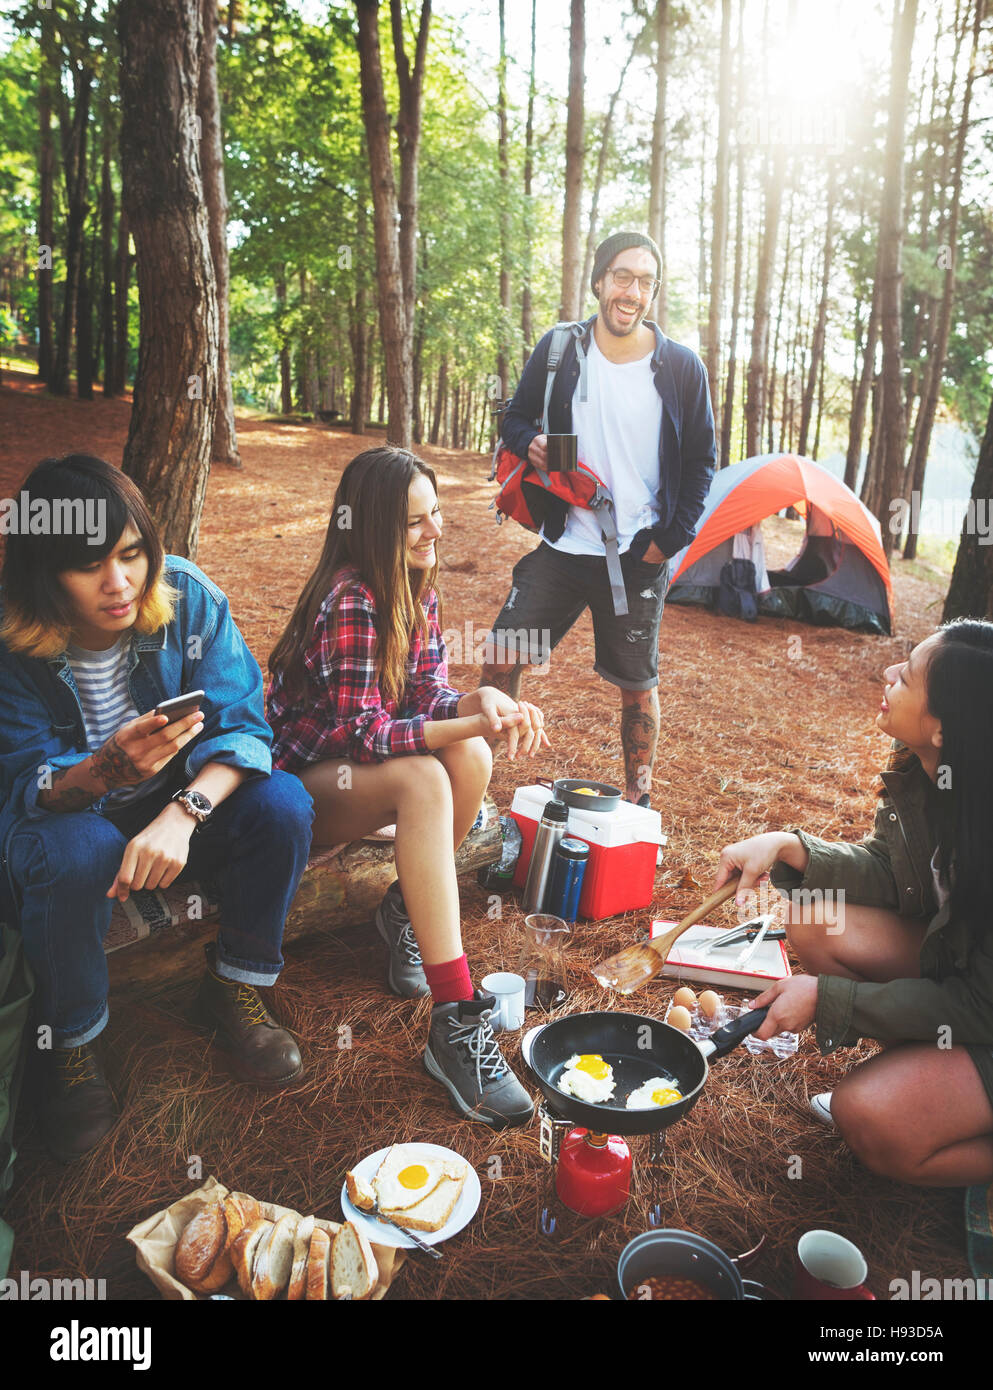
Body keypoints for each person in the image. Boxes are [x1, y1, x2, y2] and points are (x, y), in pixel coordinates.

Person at [0, 455, 314, 1163]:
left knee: (284, 804)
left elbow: (243, 727)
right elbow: (23, 785)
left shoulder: (188, 599)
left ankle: (235, 987)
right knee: (77, 848)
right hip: (69, 822)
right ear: (44, 573)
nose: (119, 584)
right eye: (88, 566)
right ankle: (72, 1047)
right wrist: (104, 769)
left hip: (176, 808)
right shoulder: (11, 640)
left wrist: (185, 809)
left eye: (132, 554)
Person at [266, 446, 547, 1130]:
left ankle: (402, 913)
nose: (435, 530)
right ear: (370, 531)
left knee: (472, 755)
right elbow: (363, 734)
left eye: (436, 512)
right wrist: (466, 722)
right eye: (415, 522)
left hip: (359, 768)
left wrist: (478, 700)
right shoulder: (352, 597)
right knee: (427, 774)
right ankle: (454, 1021)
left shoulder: (413, 585)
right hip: (304, 785)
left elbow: (424, 692)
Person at [715, 622, 993, 1187]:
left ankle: (938, 1106)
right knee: (816, 917)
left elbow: (978, 1006)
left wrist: (829, 1000)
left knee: (867, 1117)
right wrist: (788, 847)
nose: (889, 675)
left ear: (944, 727)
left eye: (908, 676)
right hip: (964, 974)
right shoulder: (929, 768)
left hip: (983, 1006)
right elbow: (895, 873)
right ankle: (929, 1077)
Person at [481, 230, 716, 806]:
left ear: (652, 292)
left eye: (644, 280)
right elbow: (514, 419)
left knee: (637, 685)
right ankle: (473, 784)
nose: (632, 290)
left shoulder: (681, 367)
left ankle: (638, 804)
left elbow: (702, 462)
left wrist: (668, 542)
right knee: (501, 654)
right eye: (621, 276)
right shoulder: (561, 349)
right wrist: (533, 441)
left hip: (637, 556)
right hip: (565, 544)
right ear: (599, 281)